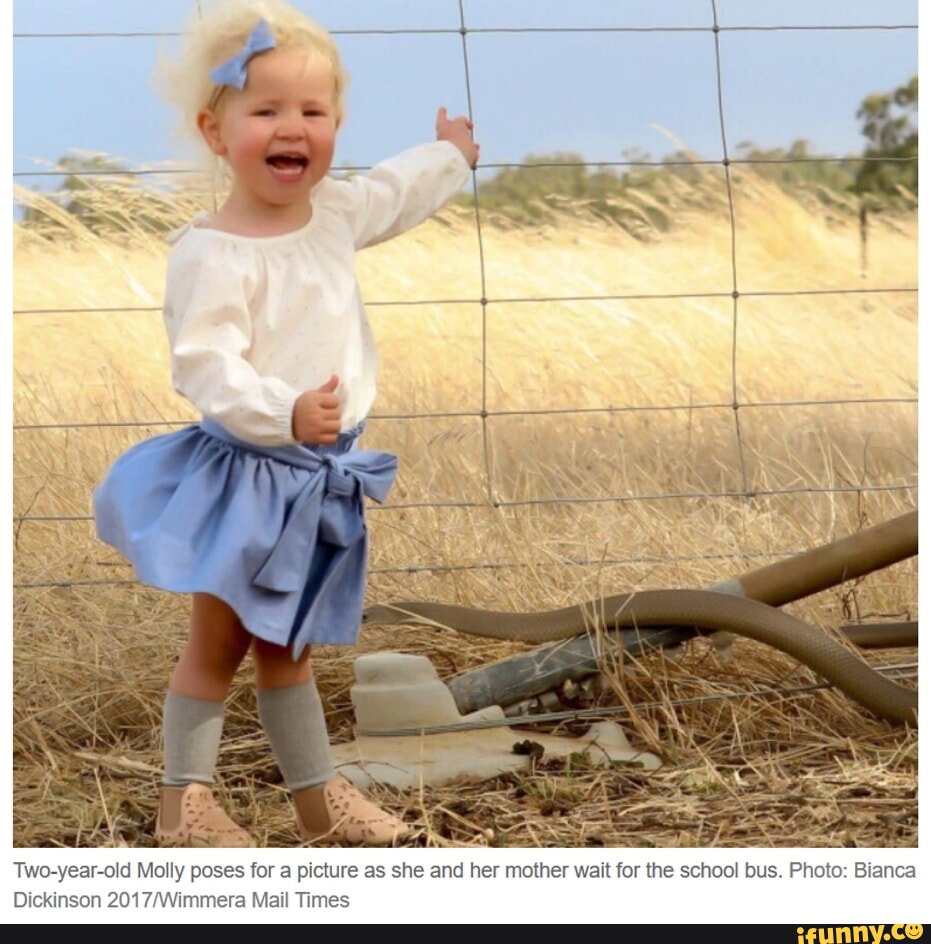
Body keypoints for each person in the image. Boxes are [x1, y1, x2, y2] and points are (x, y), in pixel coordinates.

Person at [93, 0, 479, 848]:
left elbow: (393, 194)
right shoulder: (211, 251)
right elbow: (204, 363)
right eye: (264, 110)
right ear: (214, 129)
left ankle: (318, 804)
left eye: (311, 112)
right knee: (216, 646)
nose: (290, 128)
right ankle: (182, 808)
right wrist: (284, 411)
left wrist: (448, 155)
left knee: (288, 650)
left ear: (335, 124)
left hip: (316, 476)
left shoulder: (335, 215)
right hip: (250, 475)